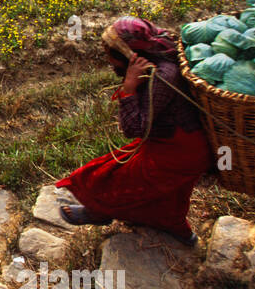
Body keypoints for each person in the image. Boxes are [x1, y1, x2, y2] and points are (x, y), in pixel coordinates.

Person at [55, 17, 212, 246]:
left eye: (112, 58)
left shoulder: (160, 76)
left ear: (131, 57)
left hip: (178, 151)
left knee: (109, 180)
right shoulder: (164, 54)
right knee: (168, 197)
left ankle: (99, 211)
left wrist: (129, 88)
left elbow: (134, 128)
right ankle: (179, 232)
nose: (110, 64)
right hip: (182, 144)